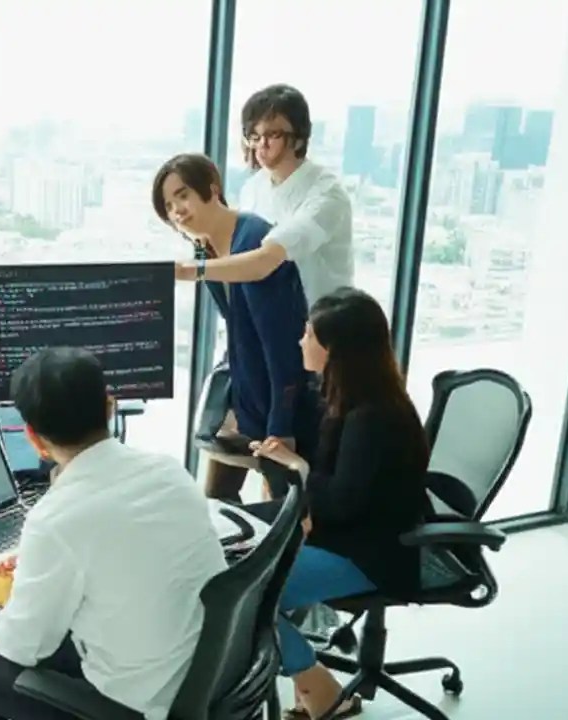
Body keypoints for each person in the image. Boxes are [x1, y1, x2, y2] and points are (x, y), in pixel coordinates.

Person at [0, 347, 226, 720]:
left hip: (135, 705)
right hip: (201, 676)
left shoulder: (54, 519)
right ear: (110, 406)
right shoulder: (169, 472)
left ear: (33, 438)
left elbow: (21, 647)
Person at [251, 287, 430, 719]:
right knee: (248, 568)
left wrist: (299, 469)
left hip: (372, 555)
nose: (300, 342)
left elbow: (343, 502)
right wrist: (296, 467)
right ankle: (310, 687)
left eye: (309, 335)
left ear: (335, 350)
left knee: (248, 600)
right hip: (354, 537)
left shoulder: (373, 417)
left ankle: (324, 693)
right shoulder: (355, 397)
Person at [152, 152, 320, 503]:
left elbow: (282, 347)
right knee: (215, 502)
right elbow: (239, 329)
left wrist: (281, 427)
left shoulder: (254, 240)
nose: (177, 210)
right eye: (168, 205)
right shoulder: (206, 251)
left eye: (182, 195)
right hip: (246, 397)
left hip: (280, 401)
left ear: (211, 189)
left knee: (282, 513)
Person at [174, 84, 353, 307]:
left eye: (272, 135)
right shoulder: (253, 187)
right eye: (254, 136)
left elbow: (267, 259)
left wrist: (185, 270)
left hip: (323, 326)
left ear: (298, 137)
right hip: (270, 317)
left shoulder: (326, 195)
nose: (261, 145)